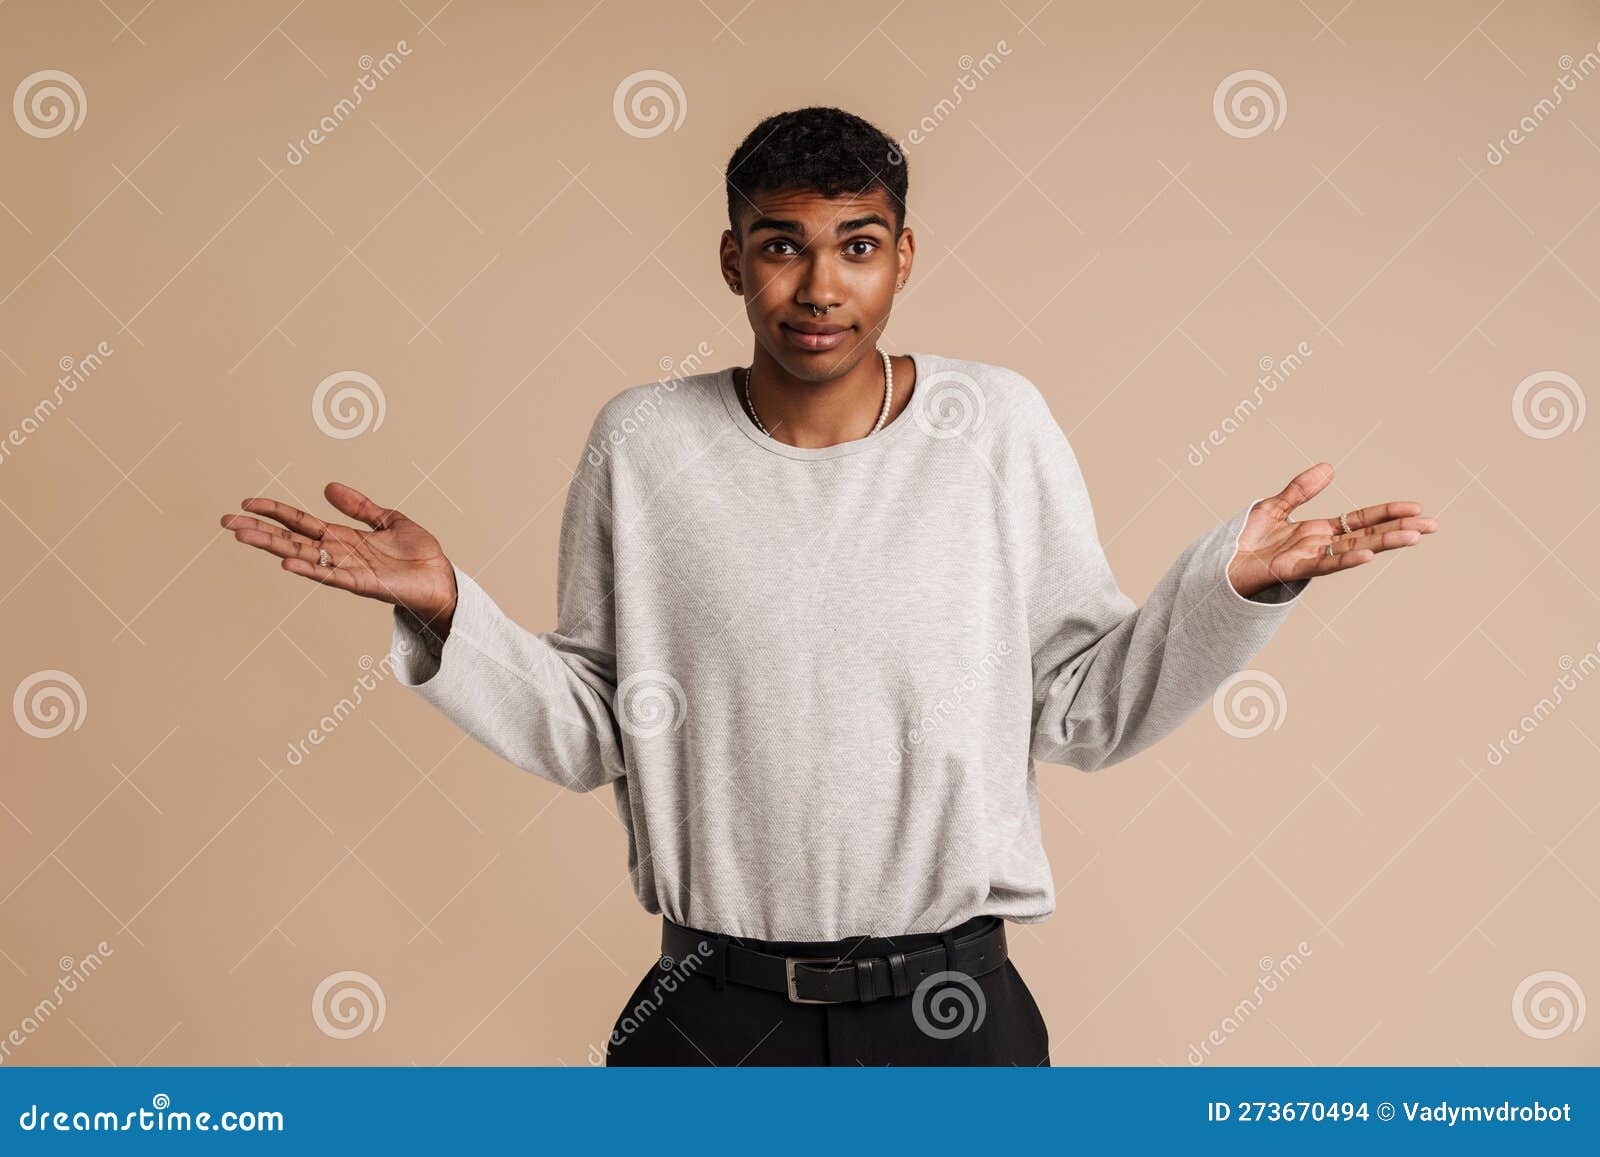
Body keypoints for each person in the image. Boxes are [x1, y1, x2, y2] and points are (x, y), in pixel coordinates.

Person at [219, 106, 1437, 1066]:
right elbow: (599, 725)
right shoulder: (642, 443)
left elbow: (1080, 705)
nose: (818, 286)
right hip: (707, 1015)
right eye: (782, 246)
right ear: (731, 258)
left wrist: (1229, 589)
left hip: (952, 1011)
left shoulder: (995, 426)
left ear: (901, 256)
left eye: (856, 246)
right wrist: (448, 611)